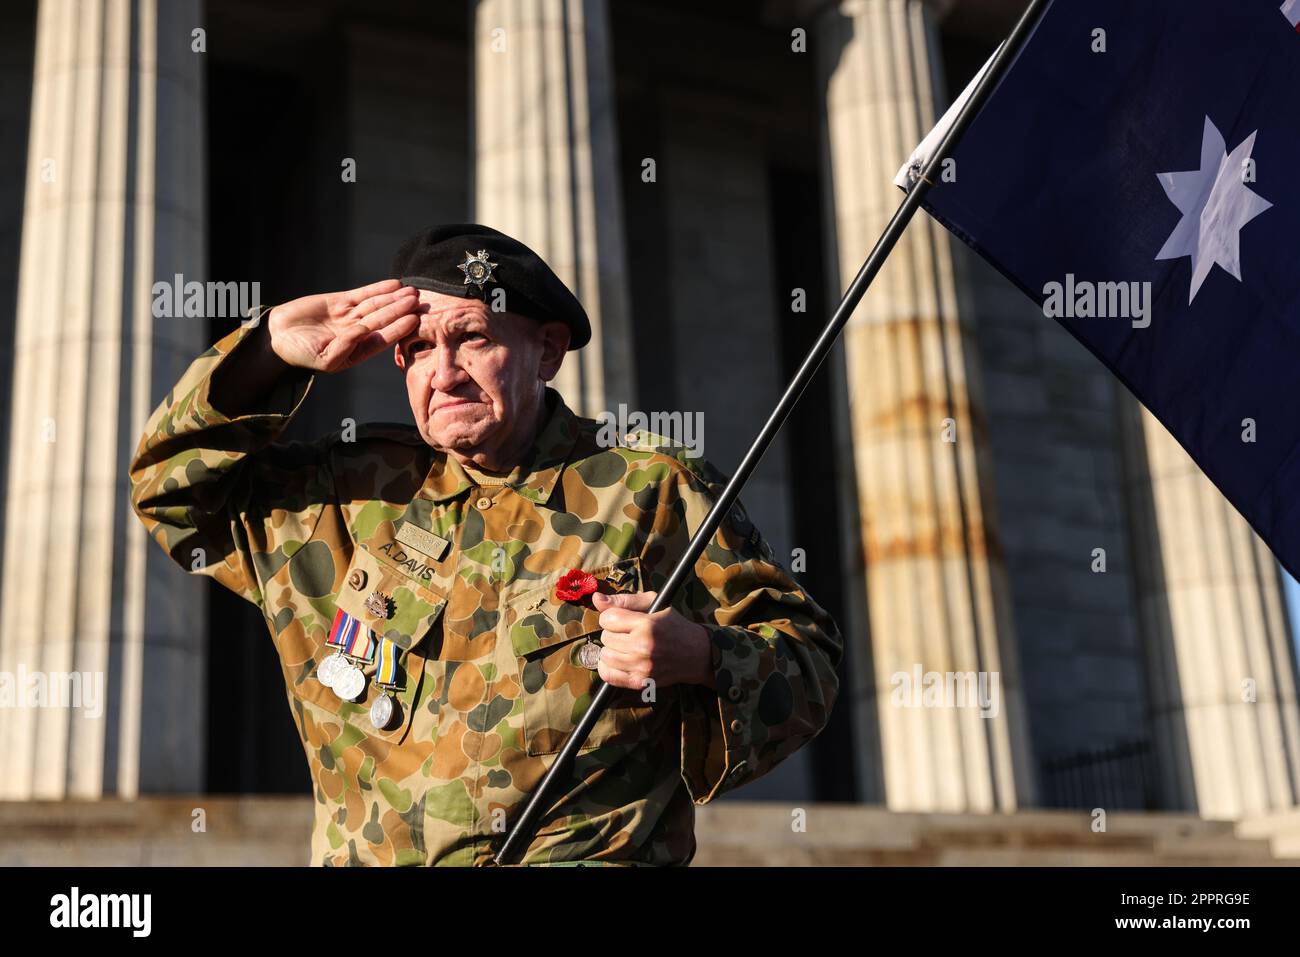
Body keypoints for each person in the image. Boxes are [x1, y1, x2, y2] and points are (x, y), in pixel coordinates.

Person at [129, 223, 843, 866]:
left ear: (547, 350)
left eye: (472, 337)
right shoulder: (345, 496)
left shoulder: (650, 487)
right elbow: (169, 494)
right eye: (415, 349)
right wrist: (269, 349)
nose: (442, 372)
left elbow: (809, 662)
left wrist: (701, 655)